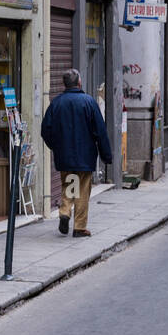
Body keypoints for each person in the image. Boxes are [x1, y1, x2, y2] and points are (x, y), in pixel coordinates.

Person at [41, 68, 113, 238]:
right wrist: (106, 155)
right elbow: (100, 131)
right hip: (85, 156)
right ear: (79, 82)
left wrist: (56, 146)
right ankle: (79, 227)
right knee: (81, 189)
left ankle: (65, 212)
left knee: (69, 184)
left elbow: (45, 130)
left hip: (64, 156)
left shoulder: (56, 103)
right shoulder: (88, 102)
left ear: (64, 84)